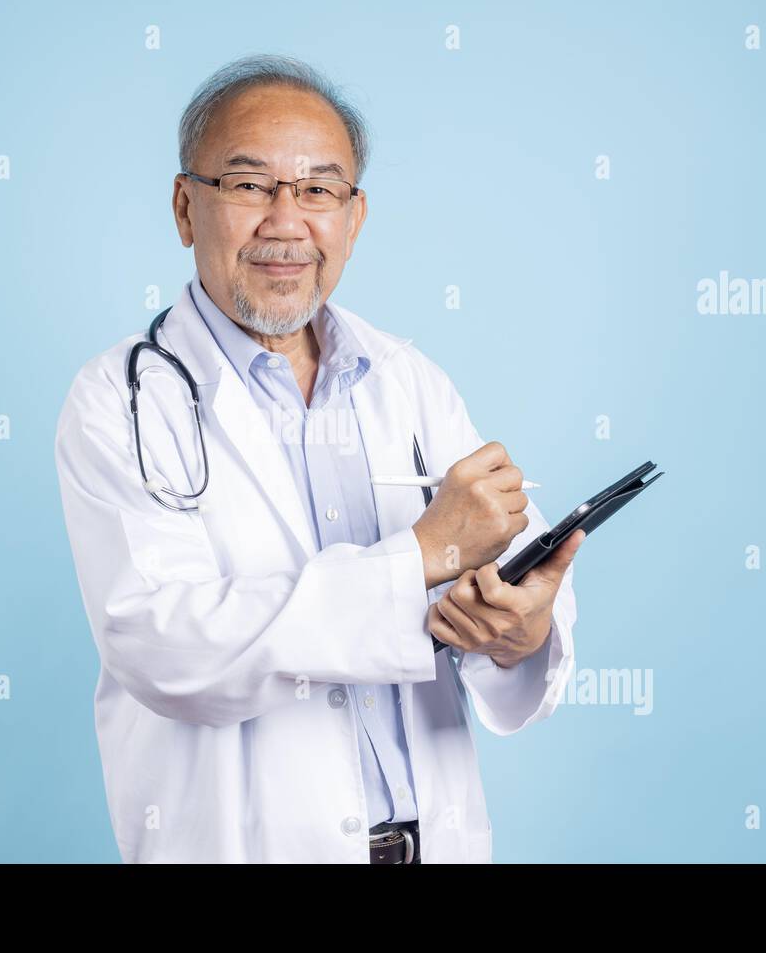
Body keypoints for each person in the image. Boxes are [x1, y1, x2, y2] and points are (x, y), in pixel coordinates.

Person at [54, 54, 582, 863]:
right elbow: (162, 649)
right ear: (184, 206)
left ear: (354, 215)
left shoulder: (410, 380)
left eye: (318, 190)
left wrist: (521, 628)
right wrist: (424, 555)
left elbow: (509, 596)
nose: (286, 221)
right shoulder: (119, 401)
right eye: (248, 185)